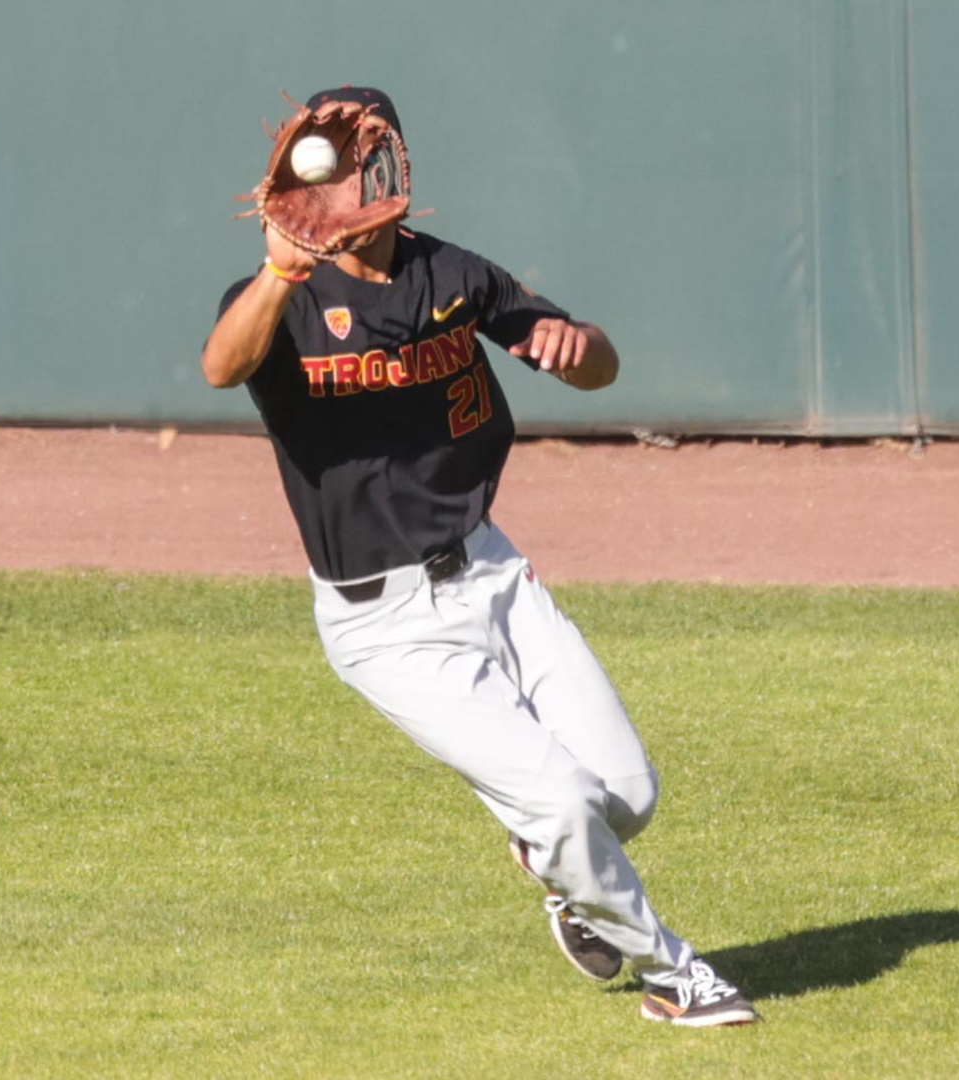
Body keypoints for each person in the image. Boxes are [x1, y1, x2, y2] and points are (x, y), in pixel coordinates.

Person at [200, 86, 758, 1028]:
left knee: (623, 793)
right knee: (560, 802)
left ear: (389, 175)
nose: (334, 192)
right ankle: (674, 975)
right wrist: (280, 275)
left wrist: (576, 348)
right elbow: (222, 364)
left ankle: (558, 872)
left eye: (355, 167)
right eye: (322, 169)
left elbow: (595, 363)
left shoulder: (449, 275)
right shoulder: (277, 297)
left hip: (492, 571)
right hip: (383, 621)